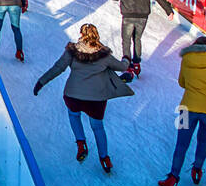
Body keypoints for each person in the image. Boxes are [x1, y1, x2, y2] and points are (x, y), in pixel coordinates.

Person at [33, 23, 133, 174]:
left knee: (74, 115)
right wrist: (126, 59)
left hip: (73, 95)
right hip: (96, 99)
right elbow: (122, 67)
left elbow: (58, 68)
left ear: (81, 34)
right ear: (96, 35)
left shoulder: (72, 51)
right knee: (97, 127)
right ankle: (104, 159)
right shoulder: (104, 54)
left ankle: (81, 143)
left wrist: (41, 81)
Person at [158, 36, 206, 186]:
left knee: (181, 144)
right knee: (203, 139)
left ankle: (172, 178)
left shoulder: (187, 60)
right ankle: (197, 170)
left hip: (187, 109)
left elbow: (182, 83)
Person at [109, 0, 174, 81]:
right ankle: (137, 63)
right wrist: (168, 10)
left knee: (126, 40)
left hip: (128, 14)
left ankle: (127, 66)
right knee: (137, 38)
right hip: (142, 15)